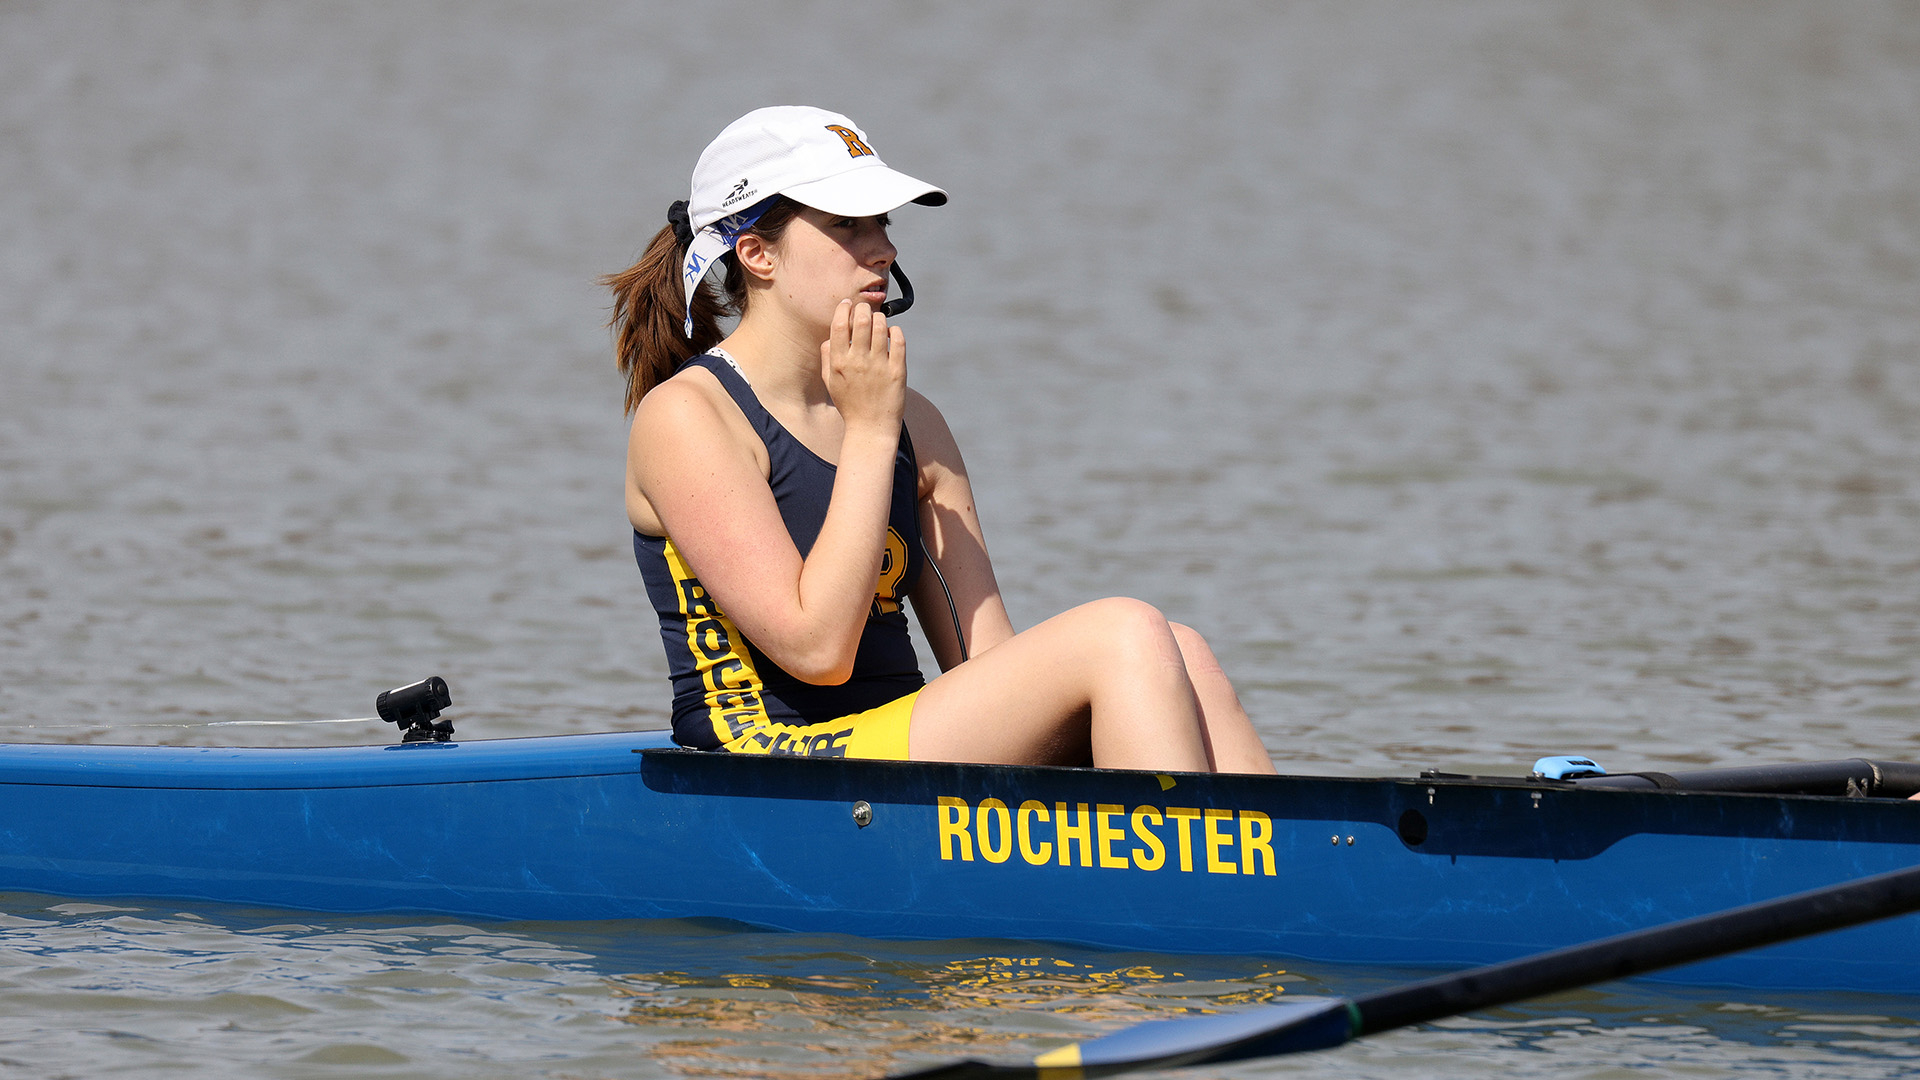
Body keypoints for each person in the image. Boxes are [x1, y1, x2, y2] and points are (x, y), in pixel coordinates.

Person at [607, 106, 1275, 775]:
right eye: (847, 225)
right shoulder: (688, 418)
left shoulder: (914, 422)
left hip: (896, 755)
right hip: (769, 761)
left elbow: (986, 664)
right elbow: (817, 651)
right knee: (1124, 632)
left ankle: (1291, 868)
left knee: (1176, 649)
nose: (883, 249)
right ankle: (1183, 873)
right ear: (757, 253)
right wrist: (869, 429)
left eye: (883, 223)